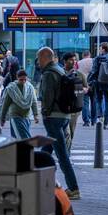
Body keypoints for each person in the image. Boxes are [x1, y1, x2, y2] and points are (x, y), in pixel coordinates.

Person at [37, 46, 80, 199]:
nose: (38, 62)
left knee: (62, 155)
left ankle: (74, 188)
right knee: (46, 151)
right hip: (64, 115)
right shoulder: (60, 70)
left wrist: (45, 112)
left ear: (44, 58)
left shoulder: (49, 73)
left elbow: (47, 95)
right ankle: (35, 177)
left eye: (38, 59)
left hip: (53, 117)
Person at [0, 68, 40, 139]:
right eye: (21, 80)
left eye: (25, 80)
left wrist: (36, 115)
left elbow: (34, 102)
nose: (23, 81)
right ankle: (29, 146)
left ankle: (18, 146)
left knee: (16, 138)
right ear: (17, 78)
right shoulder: (11, 88)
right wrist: (2, 118)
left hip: (26, 117)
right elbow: (5, 104)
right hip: (15, 116)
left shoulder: (30, 88)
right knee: (24, 137)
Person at [61, 52, 89, 147]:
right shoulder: (59, 73)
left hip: (74, 108)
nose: (74, 62)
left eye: (75, 60)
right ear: (65, 61)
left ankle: (66, 149)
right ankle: (64, 150)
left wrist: (82, 89)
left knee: (71, 131)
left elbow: (86, 88)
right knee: (64, 132)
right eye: (71, 60)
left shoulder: (80, 75)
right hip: (61, 107)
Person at [89, 43, 108, 127]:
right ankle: (106, 123)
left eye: (100, 48)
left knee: (98, 100)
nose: (99, 50)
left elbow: (94, 71)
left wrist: (90, 80)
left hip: (98, 82)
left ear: (103, 49)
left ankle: (100, 117)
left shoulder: (97, 59)